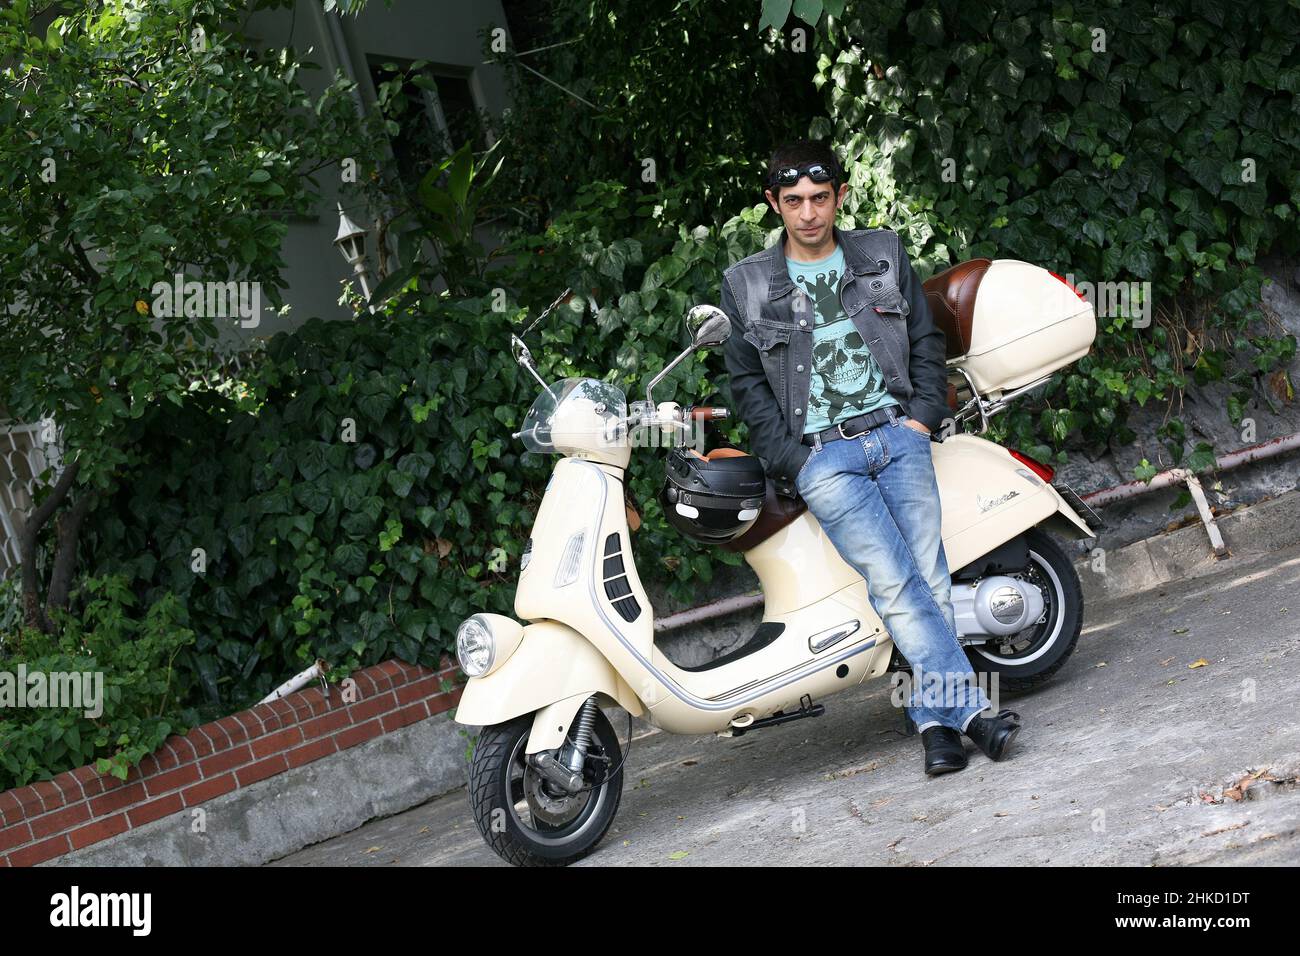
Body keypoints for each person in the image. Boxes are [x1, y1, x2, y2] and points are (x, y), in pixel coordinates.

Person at [718, 139, 1022, 776]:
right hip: (824, 458)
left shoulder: (882, 255)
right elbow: (746, 383)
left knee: (930, 580)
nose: (808, 213)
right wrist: (791, 459)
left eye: (820, 198)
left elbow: (924, 337)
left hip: (897, 433)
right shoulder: (747, 285)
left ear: (839, 197)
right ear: (773, 203)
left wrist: (921, 418)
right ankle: (973, 712)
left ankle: (936, 729)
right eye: (794, 200)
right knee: (895, 582)